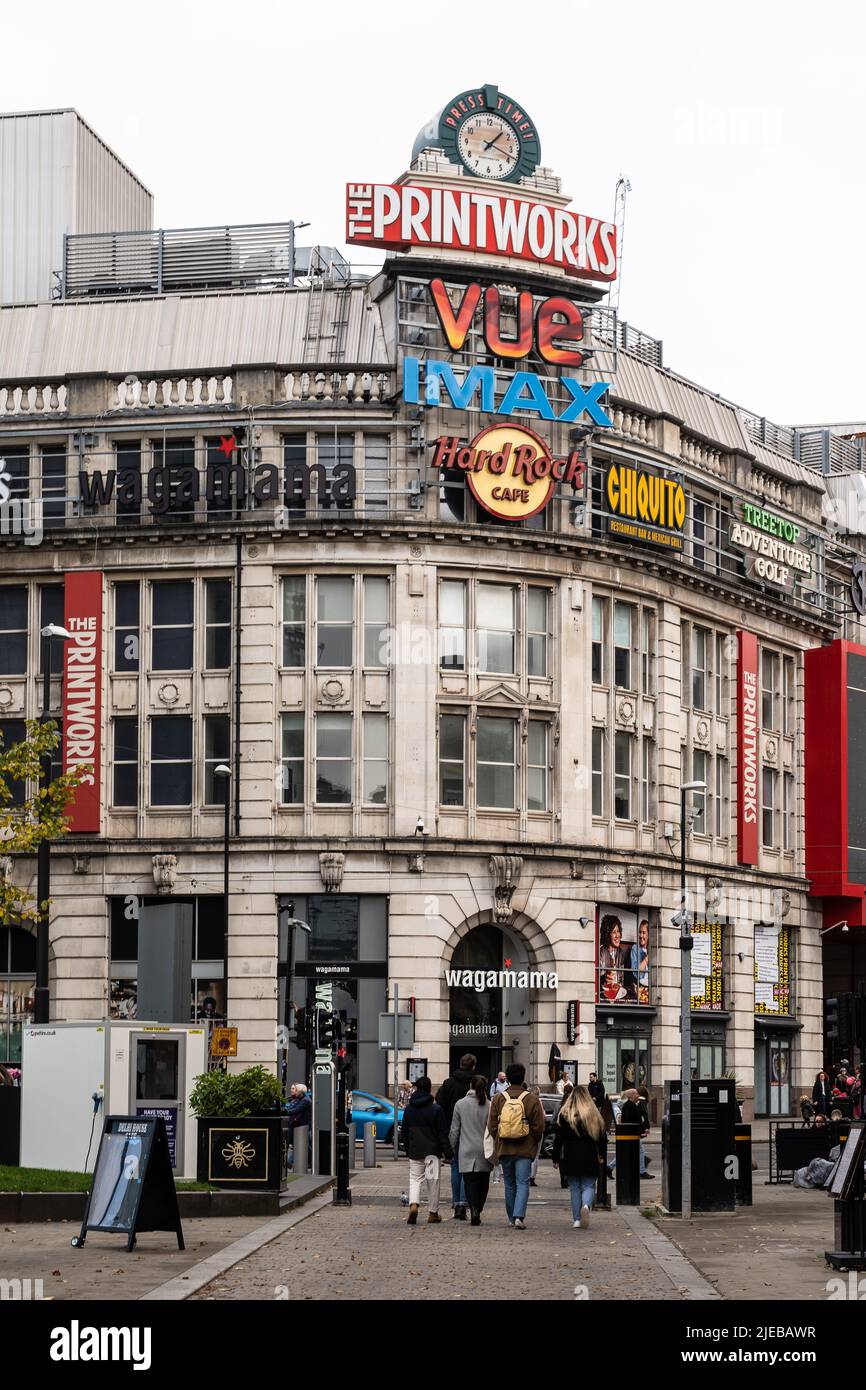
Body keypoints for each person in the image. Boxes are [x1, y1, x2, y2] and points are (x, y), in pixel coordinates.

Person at [486, 1062, 545, 1229]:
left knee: (509, 1184)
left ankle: (511, 1218)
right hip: (525, 1148)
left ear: (508, 1079)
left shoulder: (498, 1098)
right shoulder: (532, 1099)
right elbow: (539, 1126)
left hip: (505, 1147)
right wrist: (532, 1140)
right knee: (523, 1182)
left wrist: (500, 1137)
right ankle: (519, 1216)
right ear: (523, 1077)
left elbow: (491, 1126)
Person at [552, 1084, 606, 1229]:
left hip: (570, 1154)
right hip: (589, 1153)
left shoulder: (565, 1114)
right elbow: (602, 1138)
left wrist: (555, 1157)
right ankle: (587, 1206)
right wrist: (602, 1155)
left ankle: (576, 1219)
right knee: (588, 1185)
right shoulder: (593, 1114)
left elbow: (559, 1139)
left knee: (574, 1188)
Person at [399, 1075, 452, 1225]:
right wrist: (447, 1152)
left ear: (416, 1088)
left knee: (415, 1179)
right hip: (432, 1153)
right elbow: (442, 1133)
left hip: (415, 1151)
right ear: (429, 1090)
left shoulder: (409, 1109)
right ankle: (433, 1213)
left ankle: (414, 1204)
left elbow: (404, 1132)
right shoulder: (436, 1109)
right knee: (433, 1181)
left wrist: (408, 1149)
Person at [435, 1053, 476, 1219]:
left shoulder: (448, 1083)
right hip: (472, 1131)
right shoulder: (476, 1082)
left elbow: (440, 1106)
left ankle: (457, 1204)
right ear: (473, 1066)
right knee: (468, 1170)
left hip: (453, 1130)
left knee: (455, 1167)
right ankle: (464, 1203)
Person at [449, 1074, 493, 1225]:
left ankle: (473, 1207)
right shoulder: (489, 1105)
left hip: (465, 1150)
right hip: (484, 1150)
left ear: (470, 1086)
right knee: (483, 1183)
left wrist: (451, 1149)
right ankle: (478, 1208)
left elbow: (454, 1130)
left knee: (469, 1183)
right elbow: (493, 1129)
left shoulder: (460, 1104)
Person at [285, 1083, 311, 1168]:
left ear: (300, 1091)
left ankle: (308, 1161)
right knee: (294, 1144)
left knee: (303, 1145)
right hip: (296, 1125)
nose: (294, 1092)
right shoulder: (299, 1099)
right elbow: (292, 1108)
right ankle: (290, 1162)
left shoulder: (305, 1100)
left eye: (296, 1090)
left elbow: (296, 1109)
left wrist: (286, 1112)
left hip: (302, 1126)